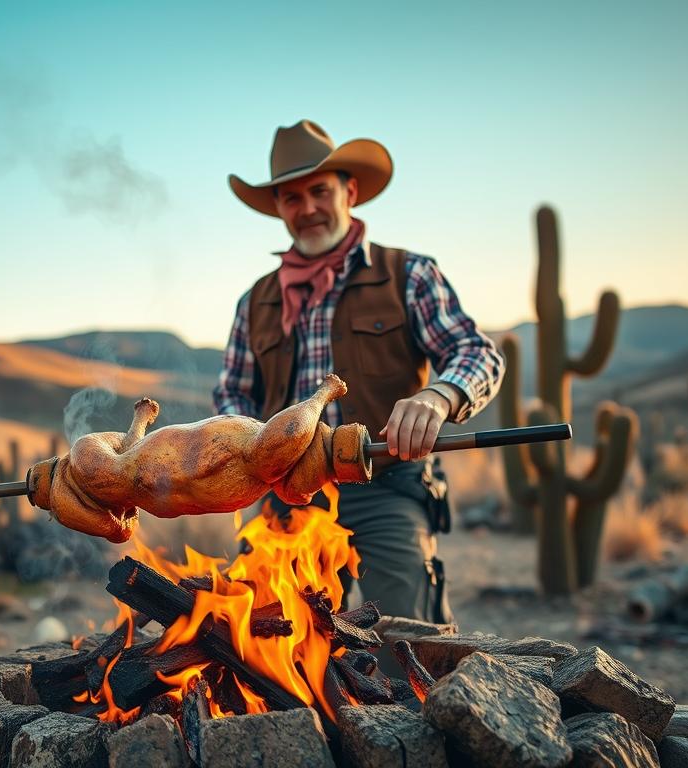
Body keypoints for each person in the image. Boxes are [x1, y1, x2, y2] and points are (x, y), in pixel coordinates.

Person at [214, 120, 505, 623]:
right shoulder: (254, 301)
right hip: (287, 495)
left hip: (388, 485)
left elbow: (475, 352)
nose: (307, 208)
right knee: (263, 637)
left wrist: (437, 397)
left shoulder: (409, 274)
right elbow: (232, 398)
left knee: (405, 637)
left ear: (349, 192)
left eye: (320, 192)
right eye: (292, 197)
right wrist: (257, 449)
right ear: (279, 207)